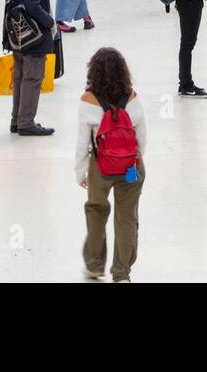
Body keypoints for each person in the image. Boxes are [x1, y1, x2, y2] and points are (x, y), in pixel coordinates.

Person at [76, 47, 147, 283]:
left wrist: (81, 172)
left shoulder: (88, 100)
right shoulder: (133, 97)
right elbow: (142, 136)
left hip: (101, 167)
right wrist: (134, 162)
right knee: (127, 217)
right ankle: (122, 274)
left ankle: (95, 266)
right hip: (130, 167)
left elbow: (82, 142)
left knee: (96, 212)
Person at [4, 0, 56, 135]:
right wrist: (50, 23)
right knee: (33, 77)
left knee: (19, 75)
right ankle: (26, 122)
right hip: (33, 34)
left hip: (16, 30)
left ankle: (17, 120)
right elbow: (33, 6)